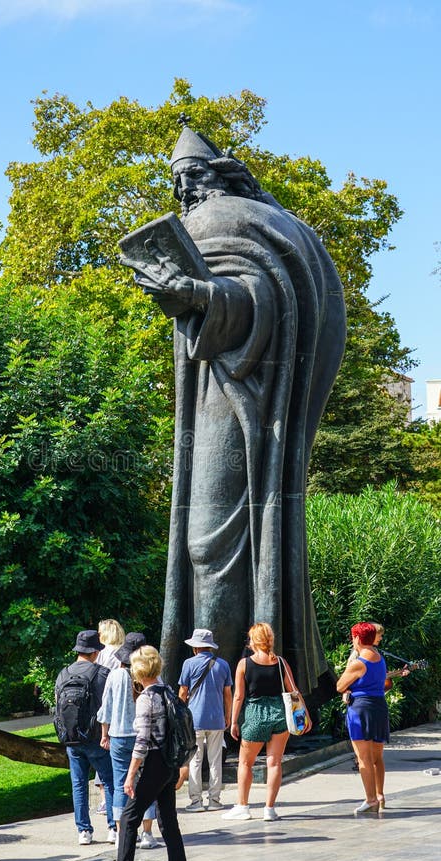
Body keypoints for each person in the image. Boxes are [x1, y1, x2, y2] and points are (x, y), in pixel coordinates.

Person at [121, 125, 346, 701]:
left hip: (237, 397)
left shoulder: (227, 219)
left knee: (207, 543)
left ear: (214, 177)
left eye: (189, 177)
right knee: (213, 542)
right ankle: (231, 682)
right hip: (214, 392)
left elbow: (260, 300)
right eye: (176, 182)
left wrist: (197, 295)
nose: (183, 191)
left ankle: (216, 686)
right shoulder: (254, 220)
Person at [93, 645, 187, 861]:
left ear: (138, 671)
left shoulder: (146, 698)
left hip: (153, 763)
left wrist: (131, 774)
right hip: (169, 763)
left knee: (128, 818)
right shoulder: (167, 691)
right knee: (168, 820)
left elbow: (142, 741)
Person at [223, 622, 310, 822]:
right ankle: (269, 809)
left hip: (255, 714)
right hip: (279, 714)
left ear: (253, 641)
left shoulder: (244, 664)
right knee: (274, 762)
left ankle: (243, 807)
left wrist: (234, 721)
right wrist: (305, 714)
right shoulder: (280, 662)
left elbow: (238, 696)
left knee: (245, 763)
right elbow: (294, 691)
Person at [54, 629, 116, 845]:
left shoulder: (63, 674)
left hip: (71, 738)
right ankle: (113, 828)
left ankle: (83, 831)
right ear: (95, 652)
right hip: (97, 737)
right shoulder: (102, 673)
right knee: (109, 781)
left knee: (78, 784)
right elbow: (108, 706)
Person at [97, 632, 159, 849]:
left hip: (119, 736)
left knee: (120, 784)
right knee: (147, 784)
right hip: (145, 736)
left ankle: (121, 834)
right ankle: (147, 833)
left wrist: (104, 734)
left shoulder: (115, 675)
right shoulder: (150, 678)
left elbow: (105, 709)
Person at [336, 622, 390, 813]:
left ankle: (371, 800)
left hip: (361, 709)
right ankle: (380, 795)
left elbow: (340, 686)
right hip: (379, 707)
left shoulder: (358, 663)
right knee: (377, 757)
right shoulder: (379, 658)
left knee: (363, 758)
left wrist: (348, 689)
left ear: (357, 638)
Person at [177, 628, 232, 812]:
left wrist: (180, 715)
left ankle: (196, 802)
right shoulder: (223, 665)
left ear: (195, 648)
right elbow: (227, 694)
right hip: (217, 719)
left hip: (194, 719)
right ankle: (215, 800)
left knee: (195, 760)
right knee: (215, 760)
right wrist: (228, 715)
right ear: (210, 647)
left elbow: (183, 692)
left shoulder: (188, 664)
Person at [95, 619, 125, 812]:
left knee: (103, 755)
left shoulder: (101, 655)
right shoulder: (125, 654)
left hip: (104, 709)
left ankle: (106, 799)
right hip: (123, 711)